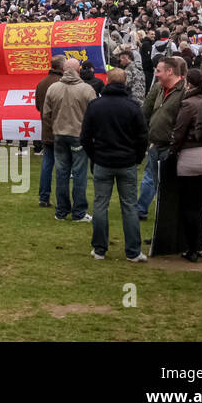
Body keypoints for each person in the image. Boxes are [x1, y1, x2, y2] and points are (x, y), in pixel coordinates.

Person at [80, 67, 148, 261]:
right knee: (129, 206)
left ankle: (100, 248)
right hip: (125, 161)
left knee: (100, 205)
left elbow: (85, 136)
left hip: (104, 160)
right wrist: (137, 157)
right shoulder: (133, 106)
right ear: (125, 82)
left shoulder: (96, 106)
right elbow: (142, 136)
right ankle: (133, 251)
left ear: (107, 81)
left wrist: (94, 155)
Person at [43, 58, 96, 222]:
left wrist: (55, 126)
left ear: (64, 70)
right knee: (79, 174)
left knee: (61, 173)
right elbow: (94, 115)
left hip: (59, 135)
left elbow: (46, 114)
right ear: (78, 70)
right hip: (78, 136)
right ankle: (79, 212)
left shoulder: (53, 88)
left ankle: (61, 211)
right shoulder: (87, 89)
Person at [138, 56, 185, 220]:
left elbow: (184, 121)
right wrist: (148, 138)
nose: (156, 74)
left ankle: (168, 220)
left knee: (168, 186)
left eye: (158, 71)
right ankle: (158, 218)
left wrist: (173, 142)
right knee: (154, 181)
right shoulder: (159, 88)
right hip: (155, 144)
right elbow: (147, 111)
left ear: (170, 71)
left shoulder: (183, 91)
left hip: (170, 147)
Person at [171, 68, 202, 262]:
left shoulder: (188, 104)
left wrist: (172, 149)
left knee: (191, 206)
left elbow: (179, 132)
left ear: (190, 84)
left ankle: (192, 248)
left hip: (190, 157)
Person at [34, 57, 65, 208]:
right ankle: (62, 200)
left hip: (46, 128)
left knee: (47, 163)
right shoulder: (62, 84)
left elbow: (38, 106)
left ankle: (43, 196)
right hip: (61, 128)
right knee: (63, 166)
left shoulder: (42, 83)